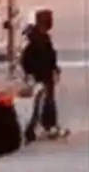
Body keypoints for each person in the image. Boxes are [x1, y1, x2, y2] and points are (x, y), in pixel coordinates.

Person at [21, 9, 67, 141]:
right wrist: (31, 73)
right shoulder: (38, 39)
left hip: (44, 73)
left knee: (44, 101)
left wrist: (54, 68)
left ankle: (44, 126)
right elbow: (30, 57)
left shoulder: (40, 37)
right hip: (41, 74)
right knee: (44, 102)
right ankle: (46, 126)